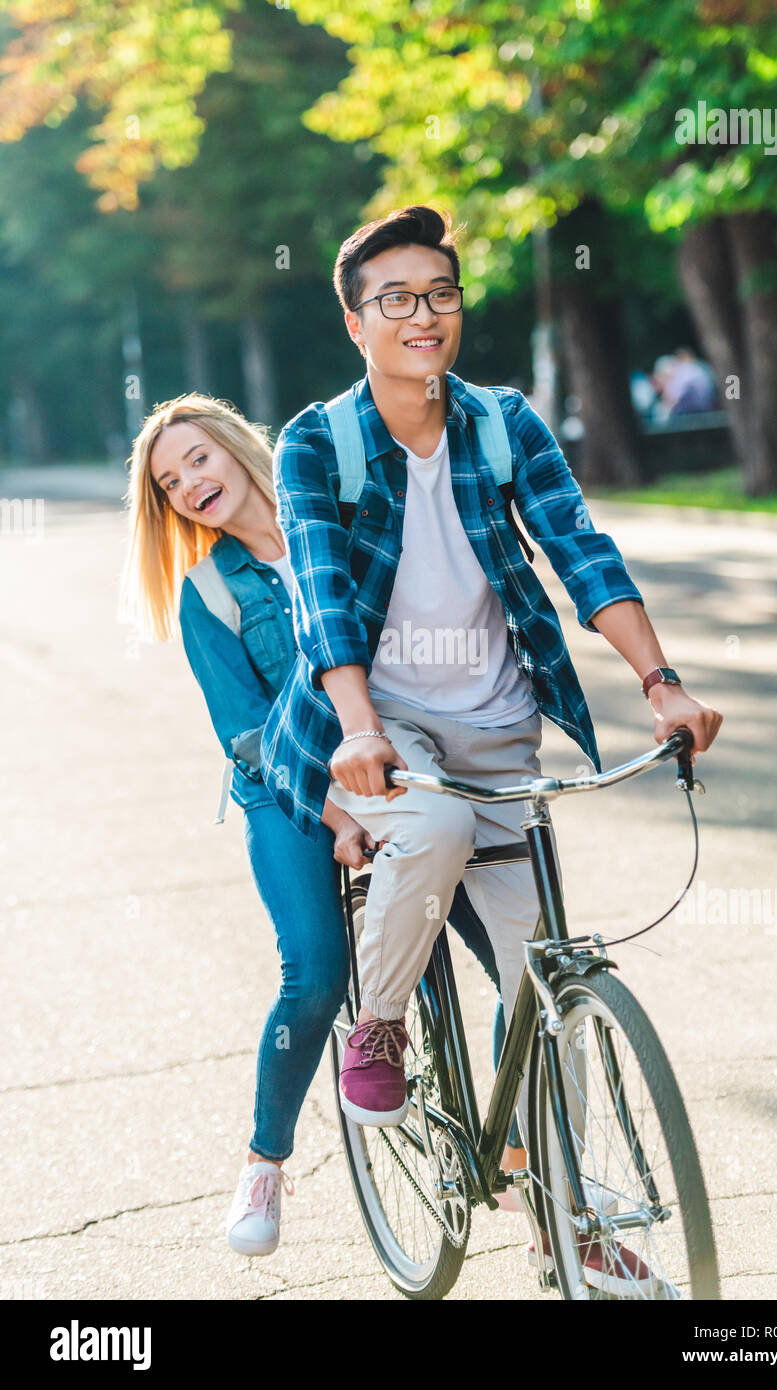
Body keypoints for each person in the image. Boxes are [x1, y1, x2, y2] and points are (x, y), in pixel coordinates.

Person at [260, 205, 723, 1286]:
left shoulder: (504, 422)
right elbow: (325, 605)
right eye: (396, 298)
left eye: (441, 293)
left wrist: (661, 681)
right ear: (354, 321)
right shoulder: (316, 443)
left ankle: (573, 1226)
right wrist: (361, 732)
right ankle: (379, 1024)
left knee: (544, 997)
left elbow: (581, 551)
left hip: (503, 720)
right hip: (383, 724)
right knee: (433, 821)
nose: (424, 315)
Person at [118, 391, 518, 1260]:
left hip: (397, 754)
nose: (189, 484)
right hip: (286, 788)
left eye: (197, 459)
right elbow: (249, 732)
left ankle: (526, 1156)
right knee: (315, 968)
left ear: (234, 450)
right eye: (168, 482)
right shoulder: (209, 590)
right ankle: (265, 1162)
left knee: (512, 952)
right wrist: (336, 811)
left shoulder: (336, 525)